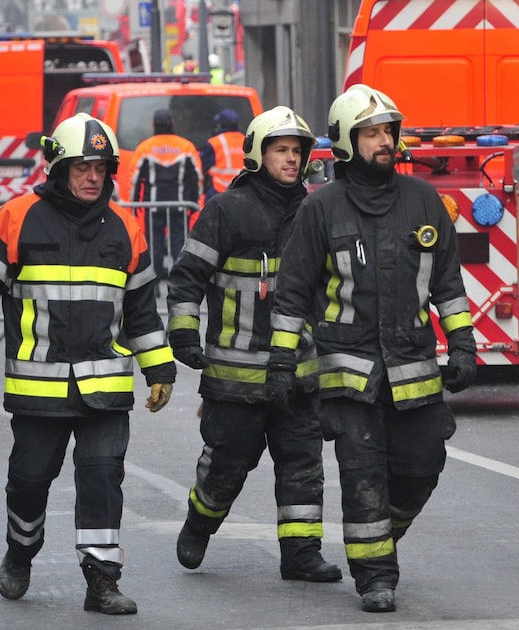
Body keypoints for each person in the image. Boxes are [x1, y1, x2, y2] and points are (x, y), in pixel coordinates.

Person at [0, 113, 176, 615]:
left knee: (102, 478)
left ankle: (102, 581)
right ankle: (20, 550)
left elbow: (141, 307)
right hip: (39, 388)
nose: (93, 177)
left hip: (106, 388)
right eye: (81, 167)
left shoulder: (127, 228)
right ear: (58, 168)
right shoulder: (16, 217)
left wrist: (160, 370)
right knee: (29, 481)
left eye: (100, 167)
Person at [269, 84, 477, 613]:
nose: (385, 142)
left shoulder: (424, 201)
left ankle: (382, 537)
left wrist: (462, 345)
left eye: (388, 131)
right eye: (371, 133)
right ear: (344, 142)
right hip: (349, 375)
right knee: (362, 475)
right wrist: (281, 363)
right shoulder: (320, 210)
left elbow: (448, 284)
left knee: (423, 463)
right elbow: (292, 294)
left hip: (413, 368)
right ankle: (375, 576)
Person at [168, 106, 341, 584]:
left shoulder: (315, 211)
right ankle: (200, 523)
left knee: (303, 465)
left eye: (297, 151)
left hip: (299, 372)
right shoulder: (227, 211)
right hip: (234, 376)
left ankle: (302, 554)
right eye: (281, 150)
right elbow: (187, 277)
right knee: (227, 463)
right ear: (258, 155)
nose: (291, 159)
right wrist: (183, 331)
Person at [129, 108, 203, 285]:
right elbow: (196, 177)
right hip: (180, 204)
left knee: (154, 242)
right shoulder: (186, 146)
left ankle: (155, 277)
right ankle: (177, 276)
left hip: (152, 205)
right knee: (179, 241)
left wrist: (135, 202)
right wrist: (194, 201)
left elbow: (135, 178)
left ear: (154, 125)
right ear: (172, 124)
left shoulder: (145, 147)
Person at [199, 108, 244, 204]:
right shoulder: (245, 140)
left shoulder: (215, 142)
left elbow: (201, 165)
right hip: (243, 190)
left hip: (219, 190)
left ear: (221, 125)